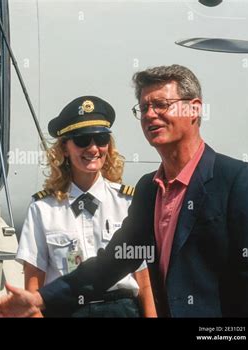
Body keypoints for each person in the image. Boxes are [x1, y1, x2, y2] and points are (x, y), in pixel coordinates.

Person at [0, 64, 248, 317]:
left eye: (161, 105)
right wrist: (40, 299)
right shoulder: (149, 190)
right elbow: (111, 264)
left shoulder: (239, 181)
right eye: (144, 107)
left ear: (194, 110)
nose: (150, 114)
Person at [16, 96, 156, 317]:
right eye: (82, 140)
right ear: (64, 149)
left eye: (101, 139)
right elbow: (33, 287)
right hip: (67, 310)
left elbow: (144, 282)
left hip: (121, 309)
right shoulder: (43, 209)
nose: (93, 148)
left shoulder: (127, 202)